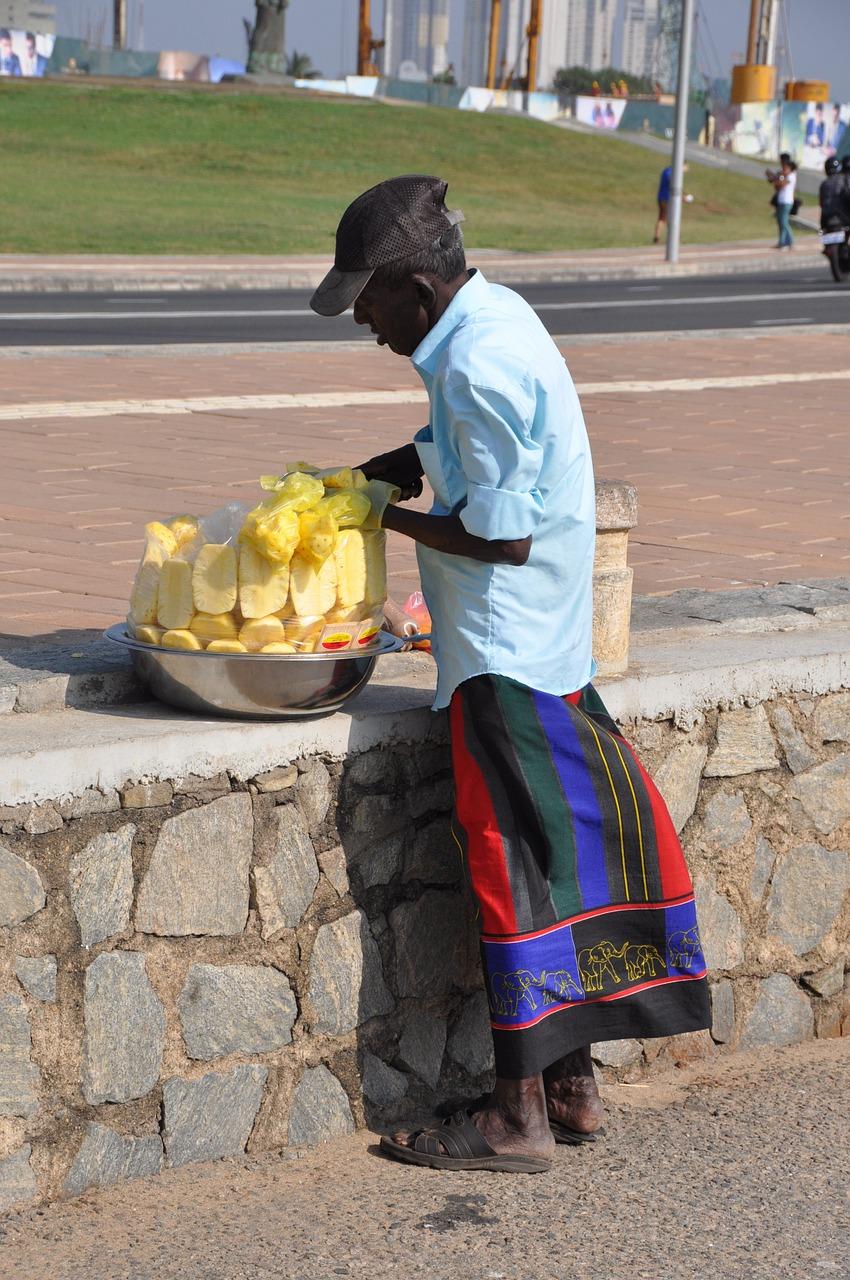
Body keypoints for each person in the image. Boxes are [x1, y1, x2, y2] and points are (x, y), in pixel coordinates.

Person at [310, 175, 711, 1174]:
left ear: (414, 287)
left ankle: (516, 1112)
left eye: (367, 296)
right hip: (546, 643)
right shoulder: (491, 320)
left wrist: (375, 514)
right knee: (543, 852)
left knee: (507, 869)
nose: (360, 316)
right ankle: (571, 1087)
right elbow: (464, 458)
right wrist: (383, 470)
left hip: (502, 654)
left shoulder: (476, 363)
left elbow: (501, 534)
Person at [654, 160, 689, 244]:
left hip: (661, 197)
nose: (687, 169)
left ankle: (657, 237)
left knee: (662, 217)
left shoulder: (666, 170)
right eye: (686, 167)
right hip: (668, 198)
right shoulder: (673, 173)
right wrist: (683, 197)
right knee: (671, 218)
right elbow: (674, 186)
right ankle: (674, 238)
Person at [769, 155, 797, 249]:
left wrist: (777, 178)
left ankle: (790, 240)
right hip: (781, 200)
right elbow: (777, 186)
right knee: (780, 221)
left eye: (785, 167)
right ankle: (782, 241)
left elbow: (782, 184)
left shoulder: (791, 176)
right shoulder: (784, 175)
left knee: (784, 221)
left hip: (787, 201)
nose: (783, 168)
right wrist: (775, 178)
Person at [820, 157, 847, 230]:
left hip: (826, 220)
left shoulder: (824, 184)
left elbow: (821, 203)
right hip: (842, 220)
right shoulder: (844, 180)